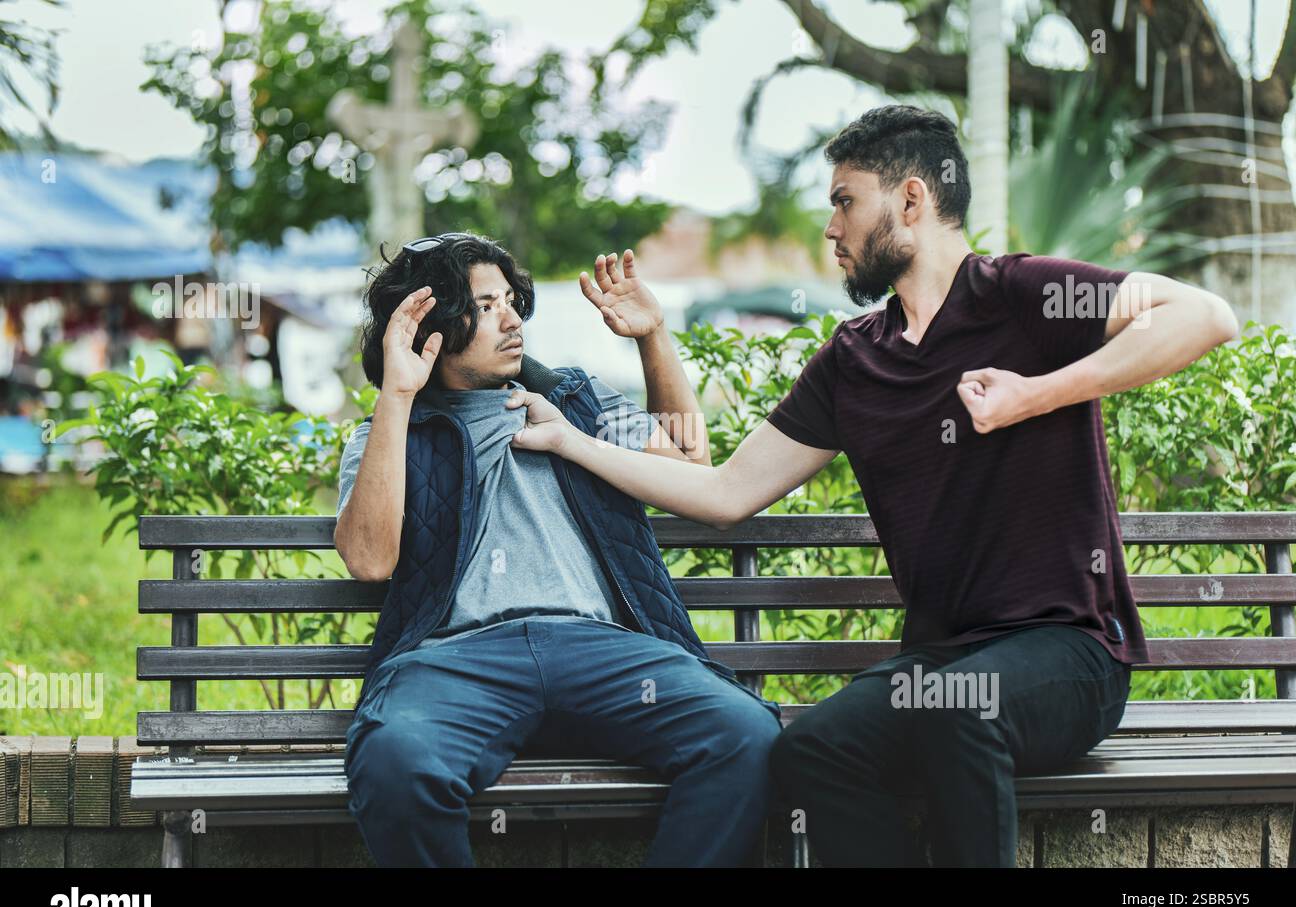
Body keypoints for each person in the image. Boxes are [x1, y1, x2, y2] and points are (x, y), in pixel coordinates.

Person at [506, 105, 1240, 866]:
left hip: (1069, 653)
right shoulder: (855, 360)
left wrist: (1036, 393)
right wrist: (570, 438)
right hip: (942, 660)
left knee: (962, 713)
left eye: (845, 200)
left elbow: (1203, 314)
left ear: (912, 201)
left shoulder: (1022, 296)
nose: (831, 228)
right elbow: (724, 490)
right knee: (812, 750)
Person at [338, 232, 782, 867]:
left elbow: (692, 462)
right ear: (431, 324)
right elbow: (369, 560)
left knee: (744, 735)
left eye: (510, 300)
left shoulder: (575, 402)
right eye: (484, 306)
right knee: (394, 762)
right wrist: (398, 396)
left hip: (603, 652)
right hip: (456, 663)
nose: (512, 317)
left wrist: (652, 336)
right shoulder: (387, 431)